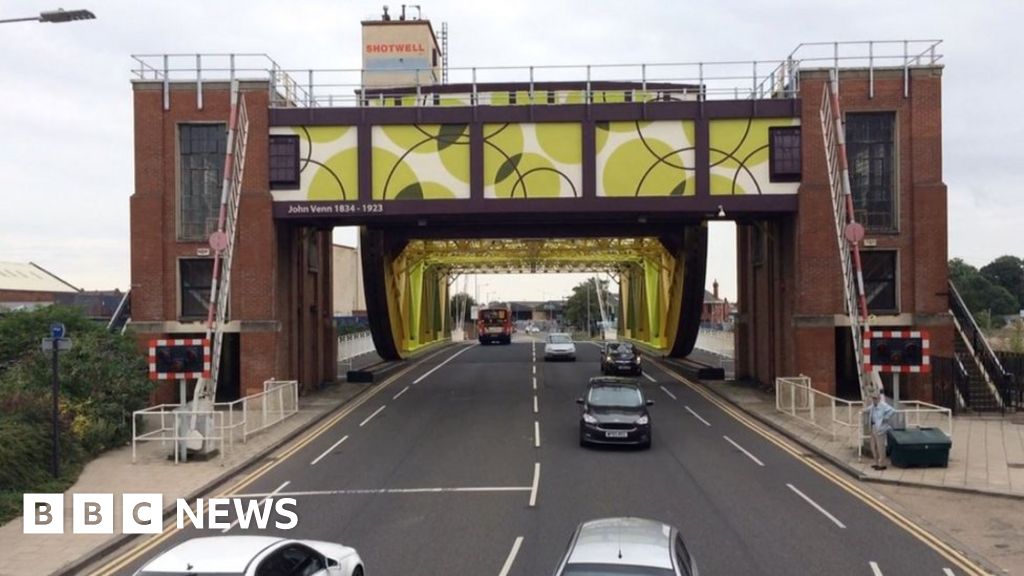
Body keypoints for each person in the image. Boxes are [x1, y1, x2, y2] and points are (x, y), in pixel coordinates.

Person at [868, 391, 896, 470]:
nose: (874, 400)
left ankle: (882, 464)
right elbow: (867, 409)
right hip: (873, 426)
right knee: (873, 446)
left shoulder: (883, 405)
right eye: (873, 398)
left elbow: (893, 411)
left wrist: (885, 418)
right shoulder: (873, 406)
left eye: (875, 398)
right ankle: (876, 462)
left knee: (880, 447)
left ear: (879, 398)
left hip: (880, 428)